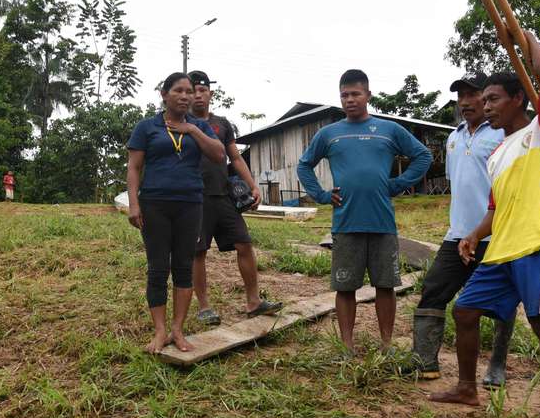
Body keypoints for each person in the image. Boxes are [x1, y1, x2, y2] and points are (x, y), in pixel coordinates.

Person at [432, 33, 540, 418]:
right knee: (465, 310)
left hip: (537, 242)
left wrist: (526, 39)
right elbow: (496, 207)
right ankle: (466, 388)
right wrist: (474, 235)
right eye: (484, 100)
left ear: (519, 100)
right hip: (501, 249)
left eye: (493, 99)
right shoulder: (498, 153)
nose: (485, 107)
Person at [297, 69, 432, 353]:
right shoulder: (329, 134)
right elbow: (304, 165)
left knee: (385, 286)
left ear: (368, 95)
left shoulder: (388, 130)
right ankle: (347, 346)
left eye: (355, 94)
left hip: (382, 223)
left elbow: (423, 155)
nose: (349, 100)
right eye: (344, 95)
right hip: (346, 223)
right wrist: (321, 195)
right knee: (345, 288)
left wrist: (398, 184)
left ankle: (386, 344)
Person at [406, 73, 516, 383]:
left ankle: (497, 364)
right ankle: (424, 361)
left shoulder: (501, 135)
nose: (466, 102)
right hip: (457, 236)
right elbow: (461, 188)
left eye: (473, 95)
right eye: (460, 96)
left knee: (500, 301)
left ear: (488, 97)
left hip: (497, 235)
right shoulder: (453, 138)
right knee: (433, 289)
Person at [127, 72, 225, 354]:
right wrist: (134, 204)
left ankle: (178, 330)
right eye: (178, 91)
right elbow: (134, 168)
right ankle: (159, 332)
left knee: (184, 267)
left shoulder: (199, 126)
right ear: (164, 94)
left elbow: (219, 155)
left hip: (190, 205)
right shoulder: (146, 127)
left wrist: (193, 131)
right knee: (158, 269)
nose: (185, 96)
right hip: (155, 204)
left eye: (189, 91)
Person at [187, 69, 282, 324]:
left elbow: (235, 157)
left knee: (244, 244)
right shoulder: (180, 123)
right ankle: (204, 307)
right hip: (195, 198)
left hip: (224, 197)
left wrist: (253, 185)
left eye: (203, 90)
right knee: (198, 252)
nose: (198, 95)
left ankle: (253, 301)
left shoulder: (222, 123)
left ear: (210, 93)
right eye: (193, 91)